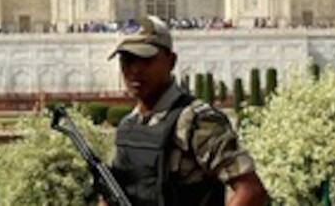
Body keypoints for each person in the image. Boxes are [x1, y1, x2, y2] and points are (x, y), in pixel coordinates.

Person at [105, 16, 267, 206]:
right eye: (127, 60)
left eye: (145, 60)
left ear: (171, 61)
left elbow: (250, 191)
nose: (135, 70)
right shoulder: (129, 126)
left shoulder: (197, 121)